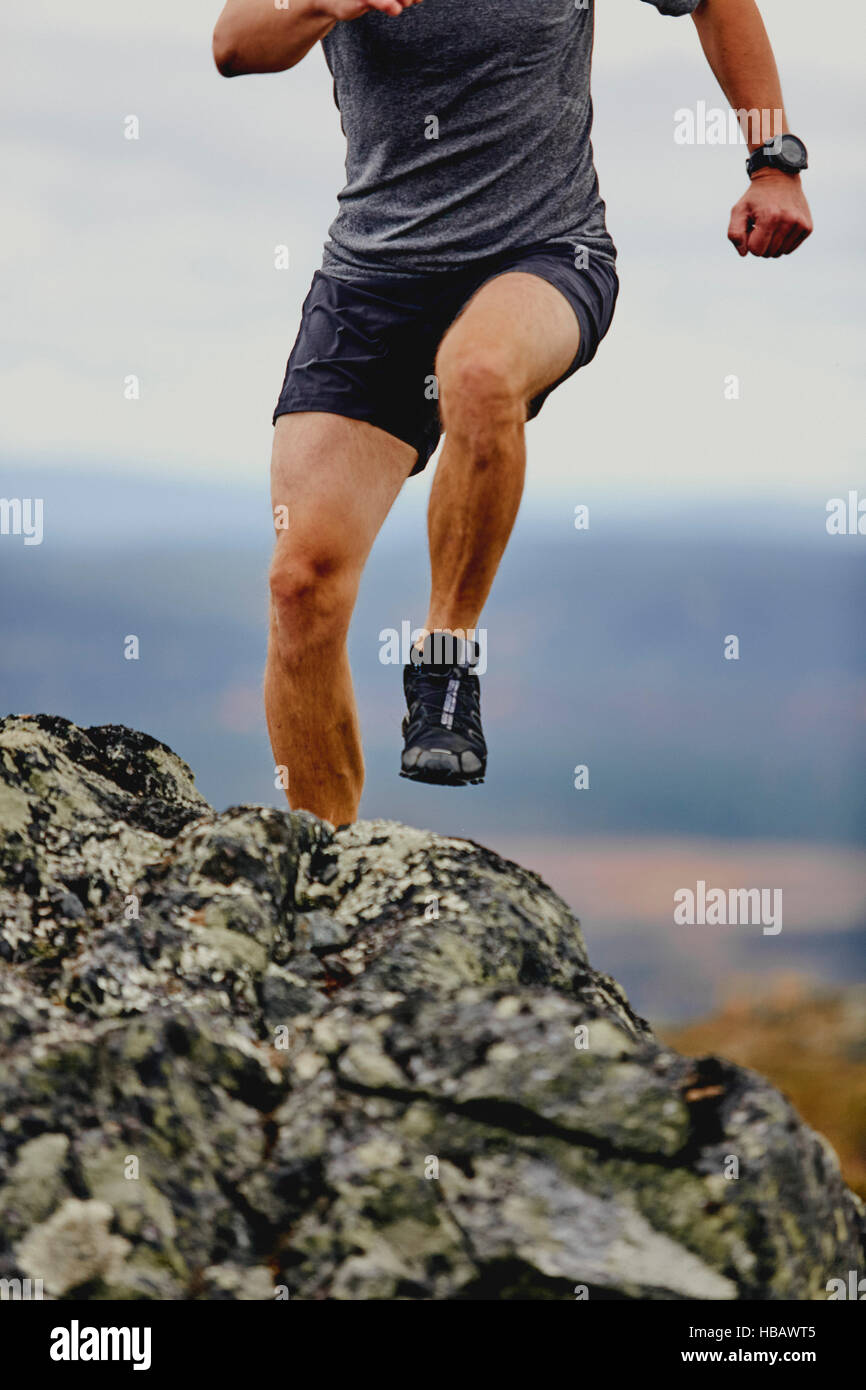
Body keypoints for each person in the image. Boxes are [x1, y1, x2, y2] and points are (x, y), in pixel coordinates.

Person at [212, 0, 813, 825]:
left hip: (545, 252)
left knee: (481, 370)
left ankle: (446, 662)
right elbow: (235, 44)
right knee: (300, 585)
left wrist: (772, 159)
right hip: (373, 277)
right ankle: (329, 872)